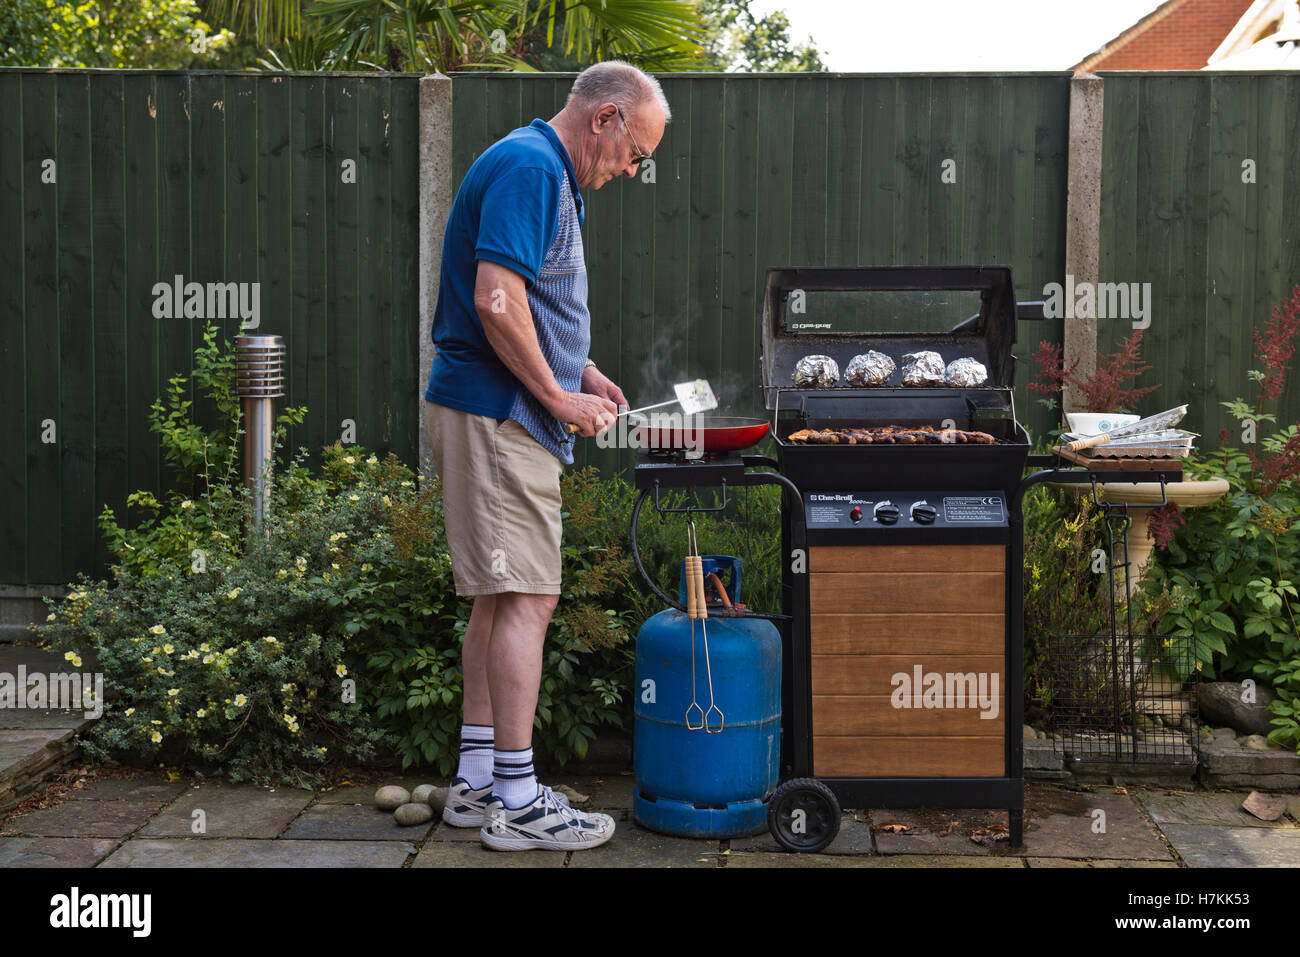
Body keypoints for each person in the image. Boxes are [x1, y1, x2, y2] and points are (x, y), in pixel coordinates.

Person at [423, 61, 670, 851]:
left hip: (495, 410)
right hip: (501, 417)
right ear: (605, 117)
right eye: (635, 152)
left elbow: (528, 298)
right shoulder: (533, 168)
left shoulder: (543, 169)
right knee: (528, 598)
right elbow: (496, 298)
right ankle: (520, 799)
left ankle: (475, 782)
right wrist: (559, 399)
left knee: (499, 598)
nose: (632, 172)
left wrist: (579, 369)